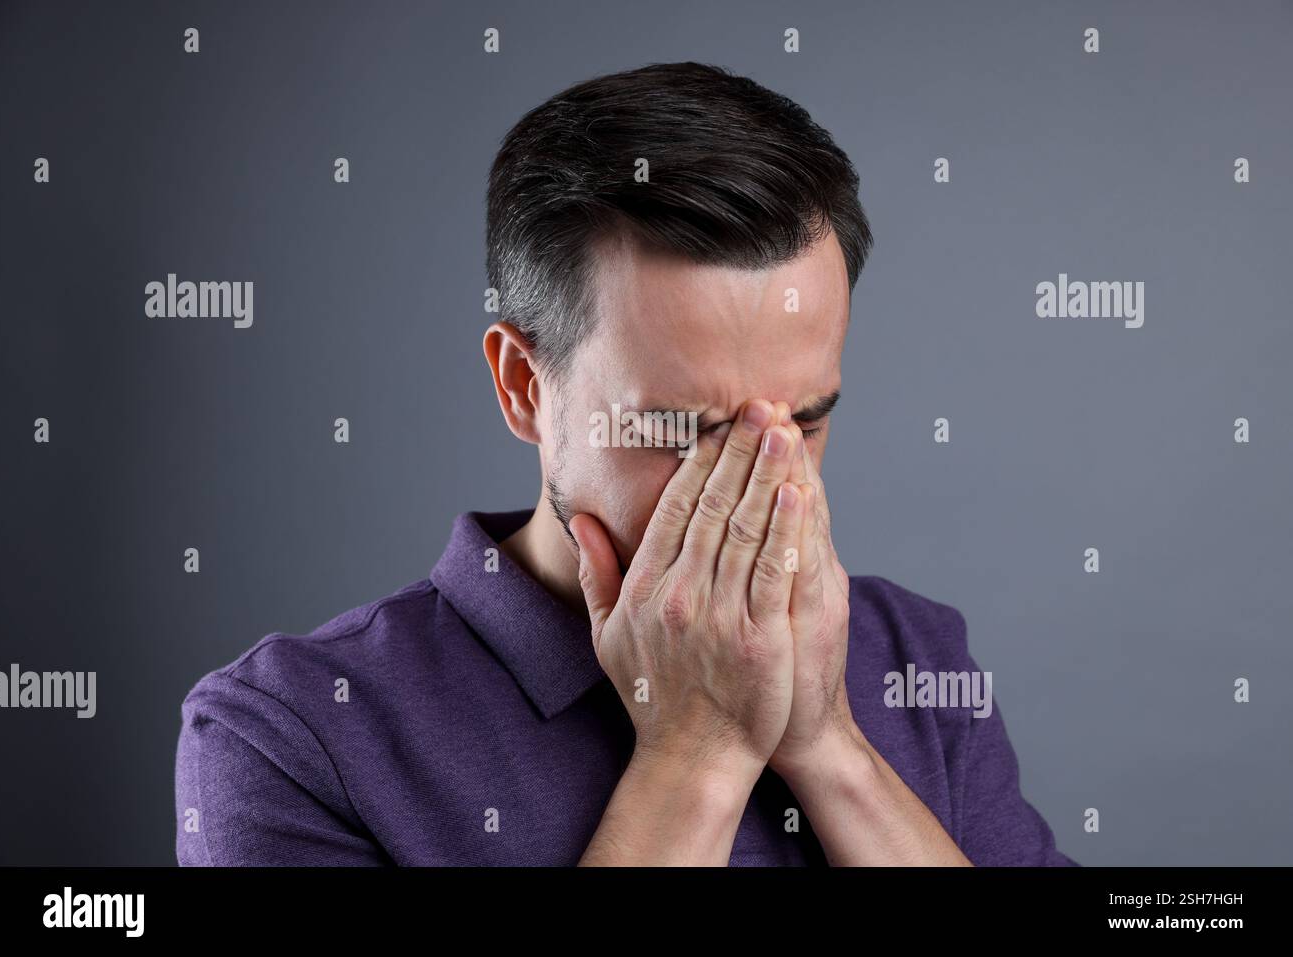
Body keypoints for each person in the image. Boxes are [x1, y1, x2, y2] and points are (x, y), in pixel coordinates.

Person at [175, 61, 1075, 866]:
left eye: (804, 422)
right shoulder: (291, 733)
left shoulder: (914, 654)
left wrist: (833, 748)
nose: (758, 488)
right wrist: (699, 754)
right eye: (681, 431)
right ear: (525, 385)